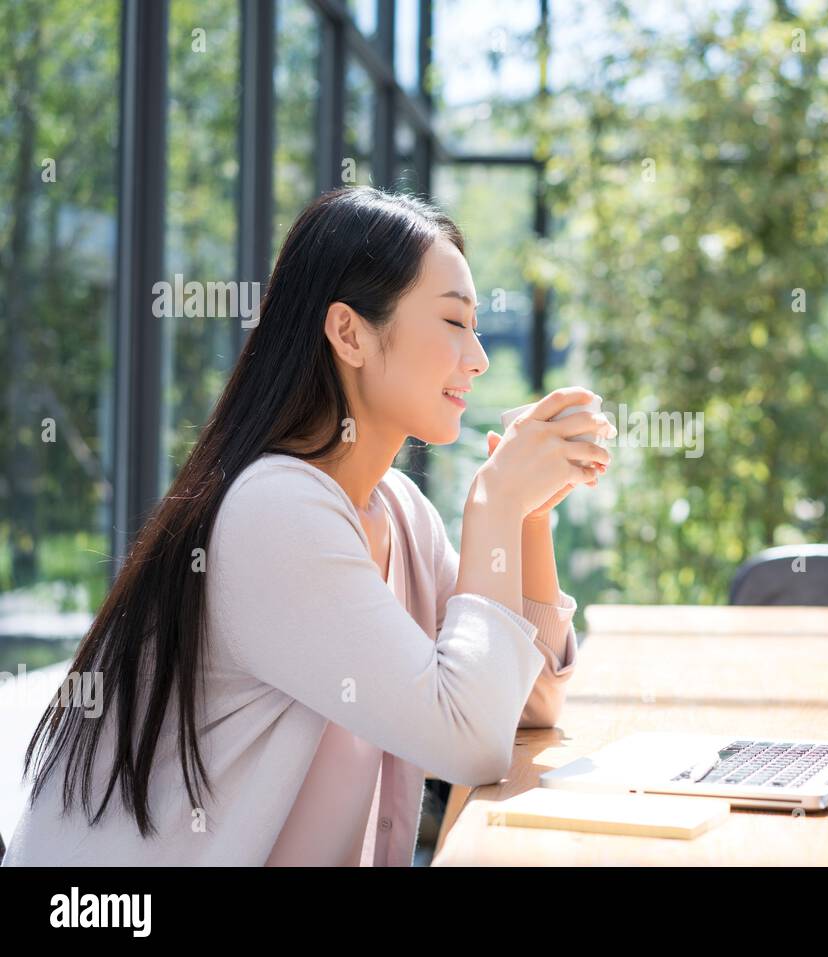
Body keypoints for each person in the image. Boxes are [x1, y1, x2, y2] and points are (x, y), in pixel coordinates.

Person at [3, 186, 614, 865]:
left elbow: (522, 707)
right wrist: (494, 502)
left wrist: (527, 515)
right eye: (453, 323)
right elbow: (469, 742)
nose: (478, 357)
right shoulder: (275, 511)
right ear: (348, 331)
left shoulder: (399, 513)